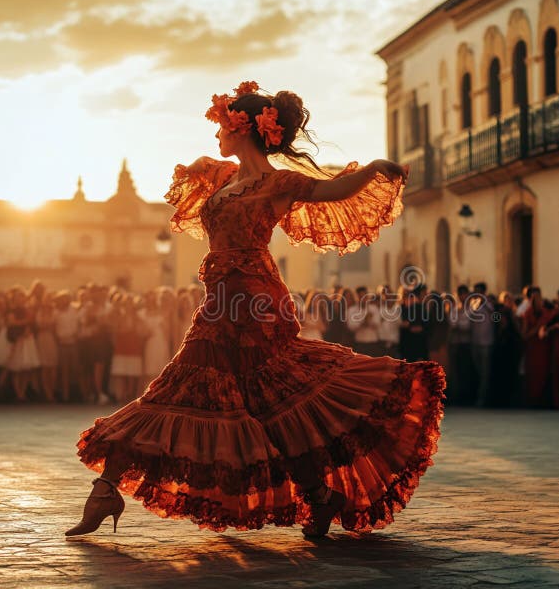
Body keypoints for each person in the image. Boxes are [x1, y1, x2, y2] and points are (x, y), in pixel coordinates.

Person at [68, 81, 445, 539]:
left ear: (244, 127)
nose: (217, 135)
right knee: (186, 389)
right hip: (220, 299)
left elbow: (335, 189)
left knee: (265, 399)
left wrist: (374, 170)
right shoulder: (221, 179)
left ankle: (108, 488)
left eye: (224, 125)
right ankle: (108, 488)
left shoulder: (280, 183)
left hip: (254, 299)